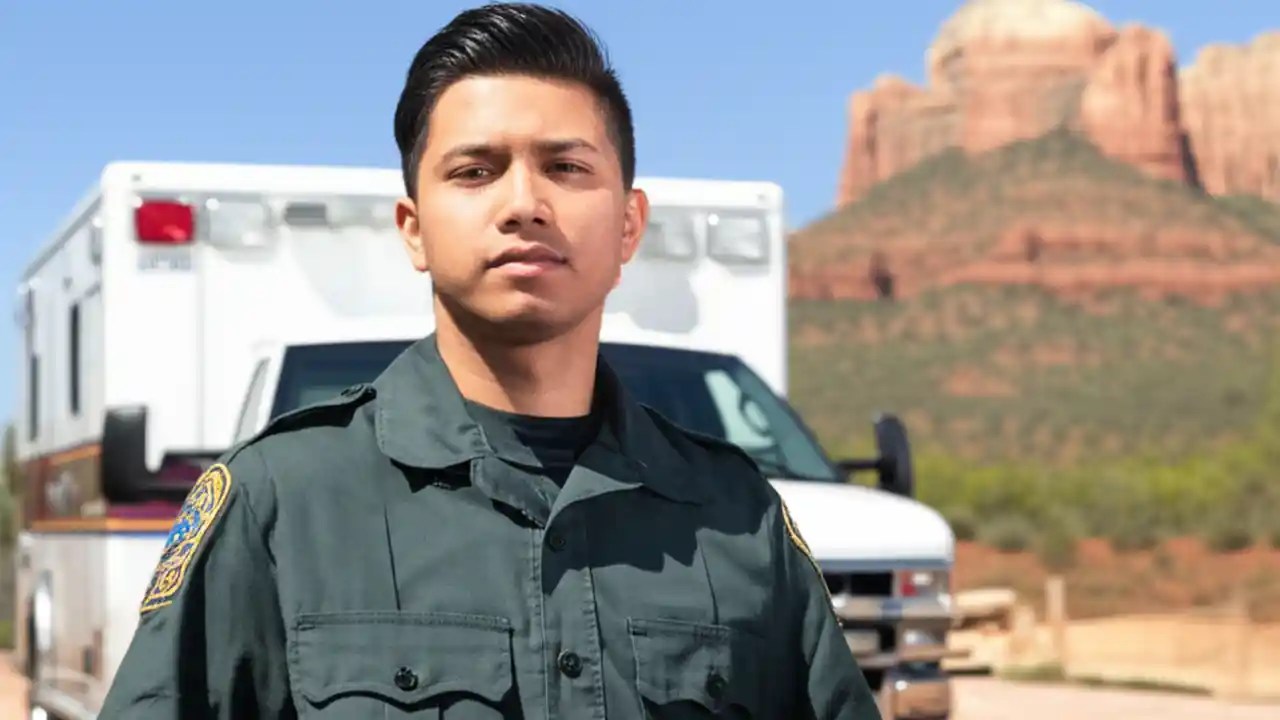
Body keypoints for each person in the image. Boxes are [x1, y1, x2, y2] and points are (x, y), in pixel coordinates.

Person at [98, 3, 881, 718]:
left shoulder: (738, 517)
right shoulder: (279, 504)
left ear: (628, 227)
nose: (523, 204)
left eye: (567, 168)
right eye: (475, 171)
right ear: (413, 229)